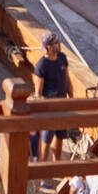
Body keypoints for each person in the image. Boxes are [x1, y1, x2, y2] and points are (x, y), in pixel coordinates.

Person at [32, 32, 70, 170]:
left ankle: (57, 166)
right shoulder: (42, 65)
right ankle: (41, 171)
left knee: (60, 136)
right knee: (46, 140)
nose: (59, 44)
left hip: (62, 104)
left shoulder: (62, 58)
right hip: (49, 108)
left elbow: (67, 79)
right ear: (49, 47)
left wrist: (70, 97)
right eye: (56, 43)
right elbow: (38, 92)